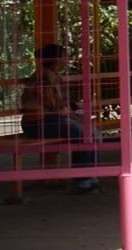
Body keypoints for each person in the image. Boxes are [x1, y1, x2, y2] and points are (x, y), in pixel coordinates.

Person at [20, 44, 98, 193]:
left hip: (52, 119)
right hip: (38, 122)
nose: (66, 59)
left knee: (91, 132)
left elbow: (62, 104)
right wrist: (77, 117)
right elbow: (55, 105)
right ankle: (82, 180)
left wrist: (75, 111)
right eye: (64, 56)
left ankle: (90, 175)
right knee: (81, 133)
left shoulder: (53, 76)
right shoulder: (43, 78)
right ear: (56, 59)